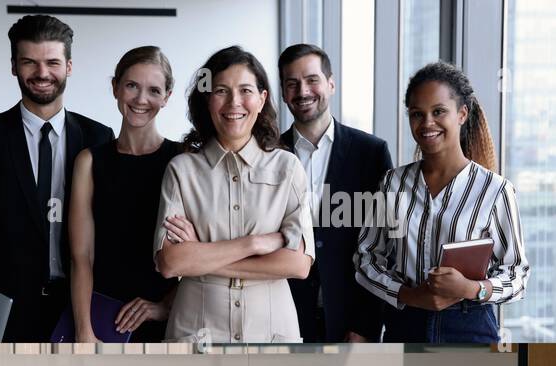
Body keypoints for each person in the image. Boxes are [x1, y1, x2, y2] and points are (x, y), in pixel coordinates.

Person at [0, 14, 113, 342]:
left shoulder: (99, 137)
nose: (42, 73)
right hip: (4, 311)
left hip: (81, 309)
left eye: (52, 62)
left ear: (69, 66)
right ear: (13, 66)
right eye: (29, 62)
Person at [354, 62, 528, 344]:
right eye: (417, 114)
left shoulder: (495, 190)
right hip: (405, 322)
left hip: (470, 324)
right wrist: (409, 295)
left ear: (461, 114)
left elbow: (517, 274)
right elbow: (366, 259)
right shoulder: (392, 184)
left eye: (438, 112)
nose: (427, 123)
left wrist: (472, 288)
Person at [155, 46, 314, 344]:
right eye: (221, 91)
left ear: (262, 98)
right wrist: (256, 243)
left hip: (272, 334)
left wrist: (201, 255)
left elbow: (298, 265)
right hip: (196, 334)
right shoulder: (182, 170)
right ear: (207, 99)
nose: (234, 103)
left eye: (245, 90)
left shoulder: (288, 168)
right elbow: (171, 263)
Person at [277, 44, 392, 343]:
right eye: (292, 83)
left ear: (331, 83)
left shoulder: (371, 153)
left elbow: (385, 244)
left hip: (350, 320)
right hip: (281, 318)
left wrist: (367, 324)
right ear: (282, 92)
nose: (303, 91)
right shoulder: (269, 154)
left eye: (312, 80)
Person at [69, 47, 182, 343]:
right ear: (115, 87)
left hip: (168, 322)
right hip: (101, 320)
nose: (141, 99)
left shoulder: (184, 160)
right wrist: (84, 330)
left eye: (154, 90)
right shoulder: (89, 161)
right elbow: (82, 255)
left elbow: (198, 255)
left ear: (167, 97)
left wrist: (164, 307)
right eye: (132, 85)